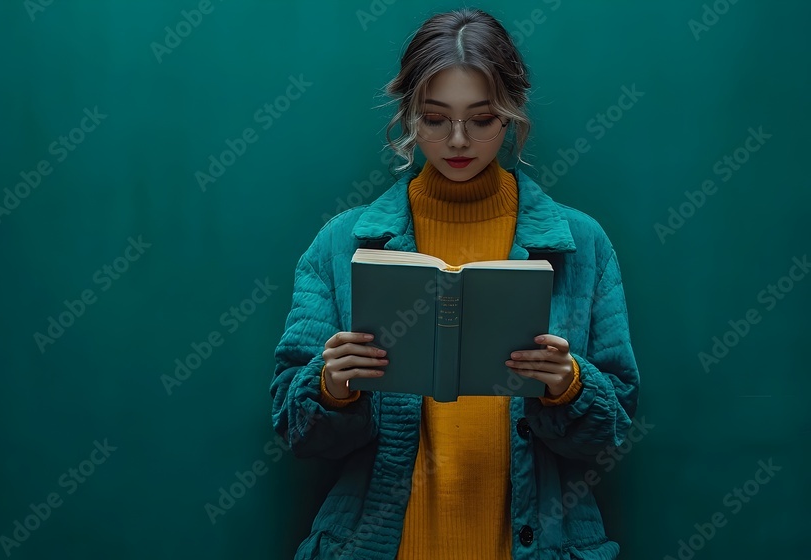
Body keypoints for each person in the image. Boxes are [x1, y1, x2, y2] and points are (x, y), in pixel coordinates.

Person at [270, 8, 640, 560]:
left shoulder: (581, 243)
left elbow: (612, 431)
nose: (458, 140)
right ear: (408, 115)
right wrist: (332, 388)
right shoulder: (341, 244)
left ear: (512, 116)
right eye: (436, 118)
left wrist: (568, 384)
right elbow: (295, 431)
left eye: (482, 119)